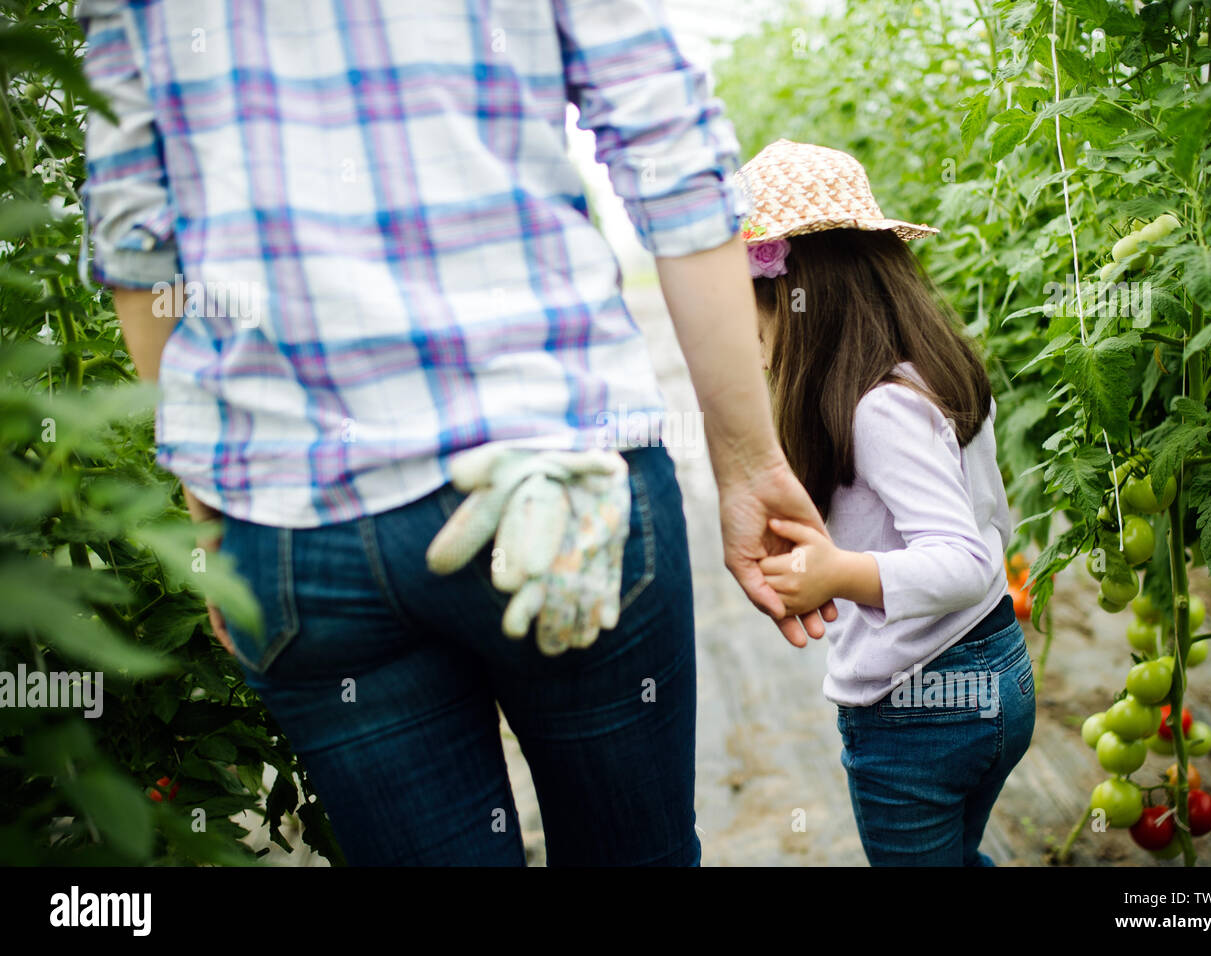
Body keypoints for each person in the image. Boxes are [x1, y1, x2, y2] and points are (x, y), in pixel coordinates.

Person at [77, 2, 832, 866]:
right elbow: (670, 149)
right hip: (563, 473)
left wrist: (211, 520)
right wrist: (745, 461)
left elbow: (134, 234)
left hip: (297, 523)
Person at [743, 140, 1036, 866]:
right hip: (997, 670)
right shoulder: (936, 370)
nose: (755, 346)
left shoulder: (879, 406)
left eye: (757, 319)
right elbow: (990, 520)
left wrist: (838, 574)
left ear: (796, 293)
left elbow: (963, 558)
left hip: (918, 712)